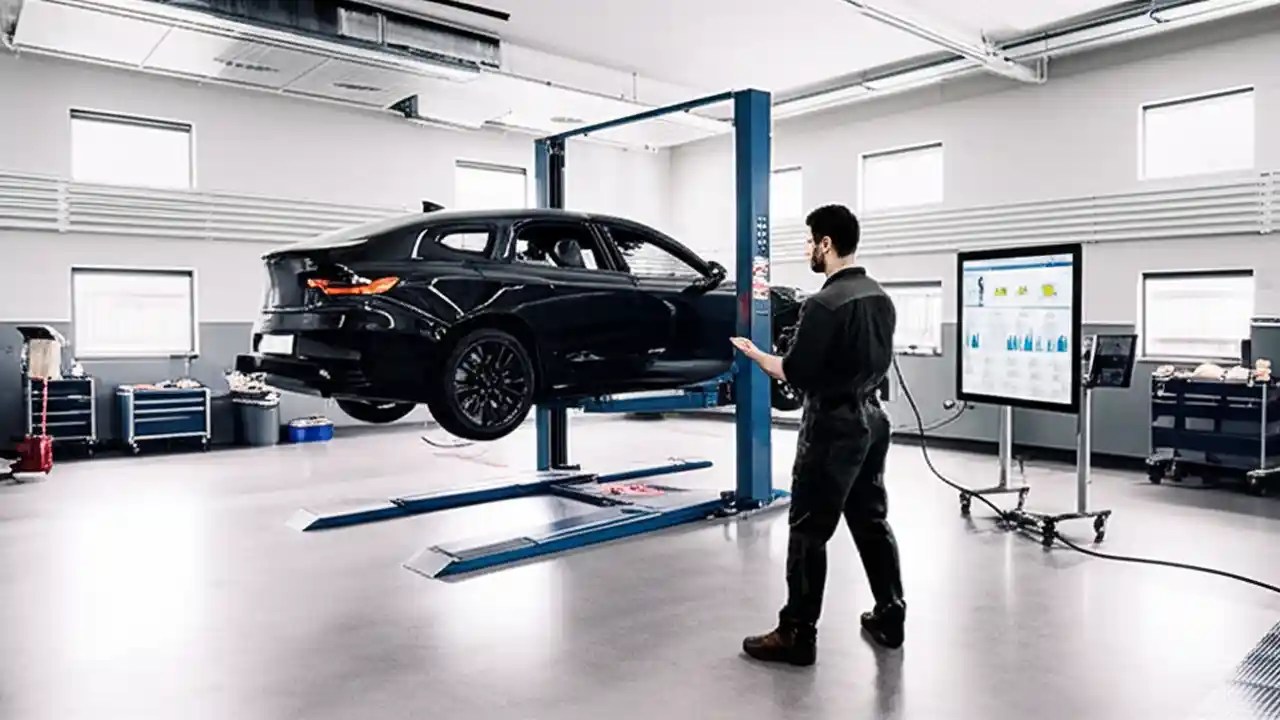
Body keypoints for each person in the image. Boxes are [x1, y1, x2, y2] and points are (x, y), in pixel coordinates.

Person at [729, 203, 905, 666]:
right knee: (870, 518)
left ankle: (796, 633)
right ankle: (891, 612)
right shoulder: (880, 296)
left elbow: (798, 372)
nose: (807, 248)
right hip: (874, 421)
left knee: (808, 529)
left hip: (832, 427)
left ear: (826, 245)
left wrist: (758, 356)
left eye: (810, 241)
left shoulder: (823, 304)